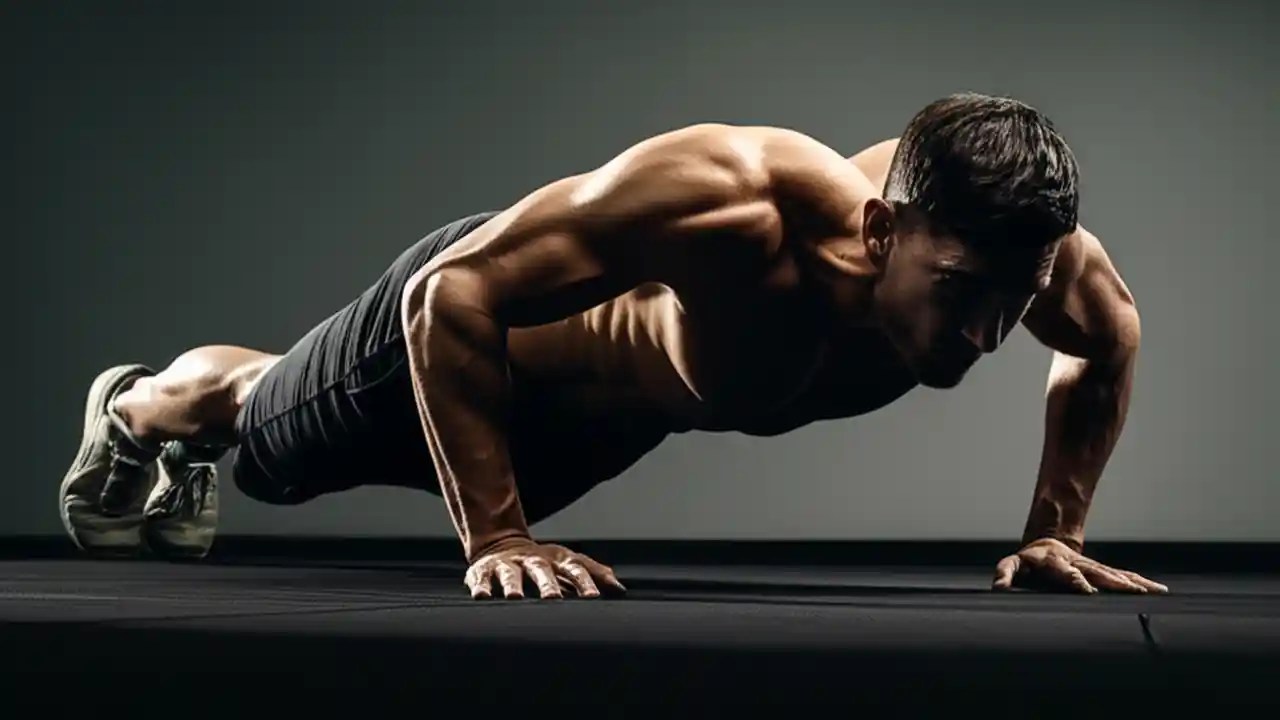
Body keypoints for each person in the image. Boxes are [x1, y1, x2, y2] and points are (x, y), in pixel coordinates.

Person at [60, 92, 1169, 599]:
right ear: (883, 228)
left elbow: (1103, 343)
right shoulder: (739, 199)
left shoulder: (1034, 256)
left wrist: (1052, 531)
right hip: (455, 342)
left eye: (1011, 303)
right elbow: (454, 294)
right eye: (961, 294)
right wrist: (493, 534)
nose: (983, 338)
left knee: (281, 445)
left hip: (590, 437)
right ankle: (136, 412)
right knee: (262, 435)